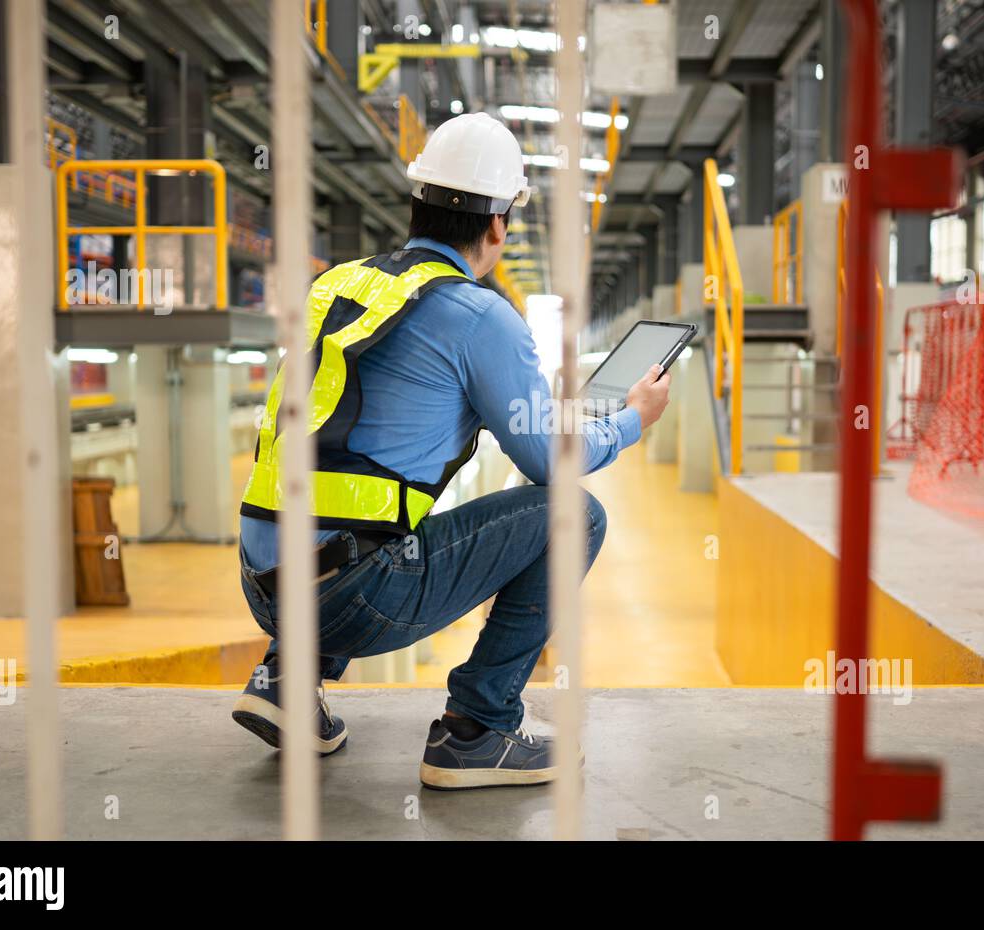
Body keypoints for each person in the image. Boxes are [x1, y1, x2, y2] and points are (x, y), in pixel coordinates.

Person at [230, 112, 671, 789]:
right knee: (575, 515)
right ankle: (477, 729)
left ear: (417, 205)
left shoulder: (340, 286)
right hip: (355, 598)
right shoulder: (480, 314)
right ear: (498, 225)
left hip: (263, 586)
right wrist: (632, 419)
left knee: (338, 494)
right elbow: (546, 460)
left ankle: (285, 678)